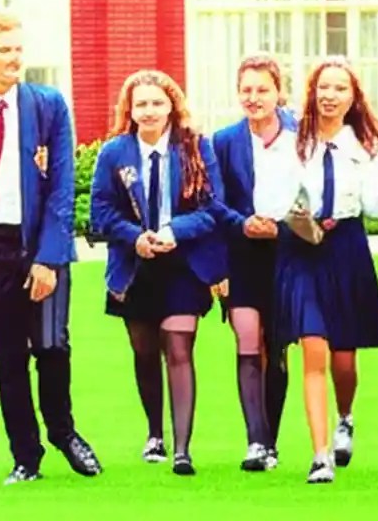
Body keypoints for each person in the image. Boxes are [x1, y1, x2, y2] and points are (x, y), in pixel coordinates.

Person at [0, 13, 101, 485]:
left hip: (39, 242)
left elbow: (62, 187)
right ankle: (25, 456)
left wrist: (50, 257)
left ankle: (63, 432)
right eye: (5, 50)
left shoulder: (48, 105)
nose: (14, 59)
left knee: (51, 346)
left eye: (18, 50)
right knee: (7, 355)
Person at [90, 68, 225, 477]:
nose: (149, 111)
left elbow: (212, 209)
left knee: (179, 349)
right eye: (141, 104)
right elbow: (101, 213)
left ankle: (182, 448)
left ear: (172, 106)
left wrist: (173, 232)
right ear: (129, 110)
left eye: (157, 103)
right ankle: (155, 434)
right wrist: (136, 238)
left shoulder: (196, 149)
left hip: (183, 265)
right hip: (134, 268)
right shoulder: (114, 153)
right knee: (145, 352)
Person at [276, 57, 378, 483]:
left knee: (344, 360)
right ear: (312, 92)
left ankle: (345, 416)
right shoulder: (291, 141)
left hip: (346, 245)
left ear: (353, 97)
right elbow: (272, 195)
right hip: (301, 248)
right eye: (323, 87)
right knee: (313, 348)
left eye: (339, 89)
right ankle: (320, 454)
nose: (329, 96)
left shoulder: (367, 147)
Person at [211, 55, 297, 471]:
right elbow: (212, 200)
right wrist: (243, 223)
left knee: (275, 347)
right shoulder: (224, 141)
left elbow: (314, 194)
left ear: (279, 91)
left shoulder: (301, 136)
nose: (254, 98)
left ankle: (273, 440)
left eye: (262, 89)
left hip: (287, 254)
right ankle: (256, 442)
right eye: (246, 90)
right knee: (247, 340)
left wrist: (281, 228)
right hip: (240, 254)